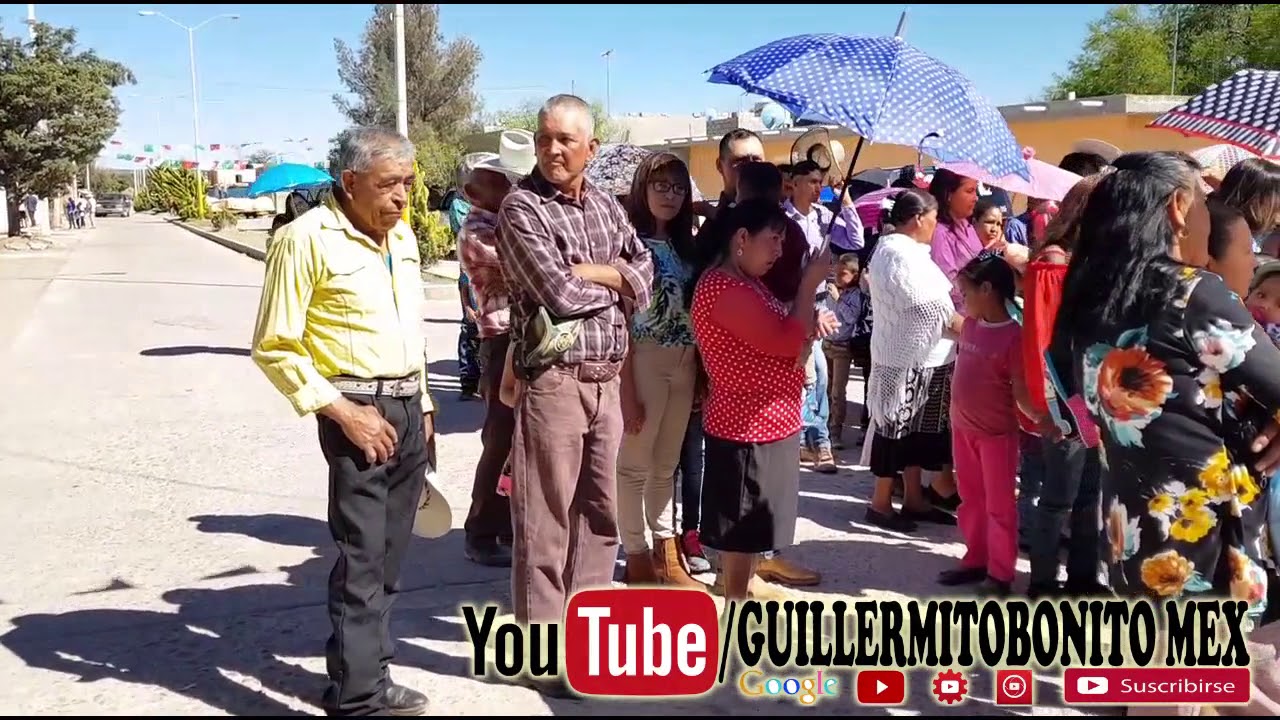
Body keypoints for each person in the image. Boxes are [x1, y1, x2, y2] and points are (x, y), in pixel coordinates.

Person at [250, 127, 432, 716]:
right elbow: (274, 345)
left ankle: (367, 672)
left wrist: (425, 405)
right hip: (356, 412)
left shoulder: (401, 236)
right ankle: (359, 700)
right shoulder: (304, 240)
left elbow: (410, 328)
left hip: (407, 409)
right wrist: (345, 413)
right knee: (362, 559)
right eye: (389, 184)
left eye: (408, 183)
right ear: (350, 182)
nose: (401, 196)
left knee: (390, 558)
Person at [494, 94, 655, 697]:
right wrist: (617, 280)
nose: (553, 150)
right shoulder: (521, 208)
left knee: (599, 517)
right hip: (555, 381)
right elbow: (560, 294)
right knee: (545, 521)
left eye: (565, 140)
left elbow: (647, 270)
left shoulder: (608, 205)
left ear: (592, 147)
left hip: (606, 380)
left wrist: (603, 273)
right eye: (544, 138)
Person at [691, 199, 830, 600]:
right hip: (746, 426)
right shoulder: (723, 288)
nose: (779, 251)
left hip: (768, 421)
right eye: (773, 240)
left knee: (754, 528)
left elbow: (785, 329)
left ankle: (743, 591)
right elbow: (784, 341)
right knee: (742, 528)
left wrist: (807, 315)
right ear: (741, 238)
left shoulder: (746, 282)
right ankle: (735, 603)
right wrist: (808, 285)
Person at [938, 251, 1054, 596]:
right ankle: (976, 558)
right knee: (970, 499)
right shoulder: (971, 326)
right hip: (963, 430)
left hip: (997, 436)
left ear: (987, 289)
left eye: (966, 293)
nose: (963, 300)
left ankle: (1001, 573)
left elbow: (1021, 391)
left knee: (999, 506)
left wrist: (1043, 420)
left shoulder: (1014, 336)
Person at [615, 152, 704, 588]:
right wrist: (626, 389)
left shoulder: (689, 245)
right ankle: (636, 556)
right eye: (660, 186)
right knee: (634, 465)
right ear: (642, 189)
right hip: (644, 359)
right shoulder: (628, 245)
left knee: (666, 465)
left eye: (678, 188)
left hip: (685, 362)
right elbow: (620, 320)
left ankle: (666, 553)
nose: (670, 195)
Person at [1021, 171, 1111, 599]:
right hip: (1064, 396)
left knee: (1089, 493)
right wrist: (1051, 408)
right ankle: (1042, 582)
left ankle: (1081, 577)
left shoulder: (1085, 257)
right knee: (1058, 497)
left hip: (1091, 395)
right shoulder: (1054, 262)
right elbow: (1041, 340)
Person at [863, 188, 963, 532]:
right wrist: (970, 329)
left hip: (929, 356)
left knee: (921, 433)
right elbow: (930, 308)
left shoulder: (912, 252)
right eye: (934, 219)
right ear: (919, 219)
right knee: (895, 431)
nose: (936, 226)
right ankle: (880, 504)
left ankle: (914, 499)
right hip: (903, 358)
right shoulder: (895, 253)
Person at [455, 140, 533, 568]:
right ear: (473, 193)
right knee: (500, 436)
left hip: (520, 337)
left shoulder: (504, 221)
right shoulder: (478, 232)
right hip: (501, 339)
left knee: (520, 438)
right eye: (498, 181)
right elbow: (523, 266)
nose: (509, 186)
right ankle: (481, 530)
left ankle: (506, 523)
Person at [822, 253, 866, 449]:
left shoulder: (855, 295)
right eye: (837, 273)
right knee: (826, 387)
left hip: (842, 347)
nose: (838, 278)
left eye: (843, 274)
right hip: (828, 343)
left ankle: (836, 431)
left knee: (838, 391)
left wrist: (839, 299)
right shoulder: (831, 289)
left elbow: (851, 318)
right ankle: (824, 426)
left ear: (854, 276)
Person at [457, 271, 481, 400]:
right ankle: (468, 384)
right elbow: (464, 288)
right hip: (473, 312)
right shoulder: (468, 271)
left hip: (489, 314)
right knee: (467, 344)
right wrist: (468, 309)